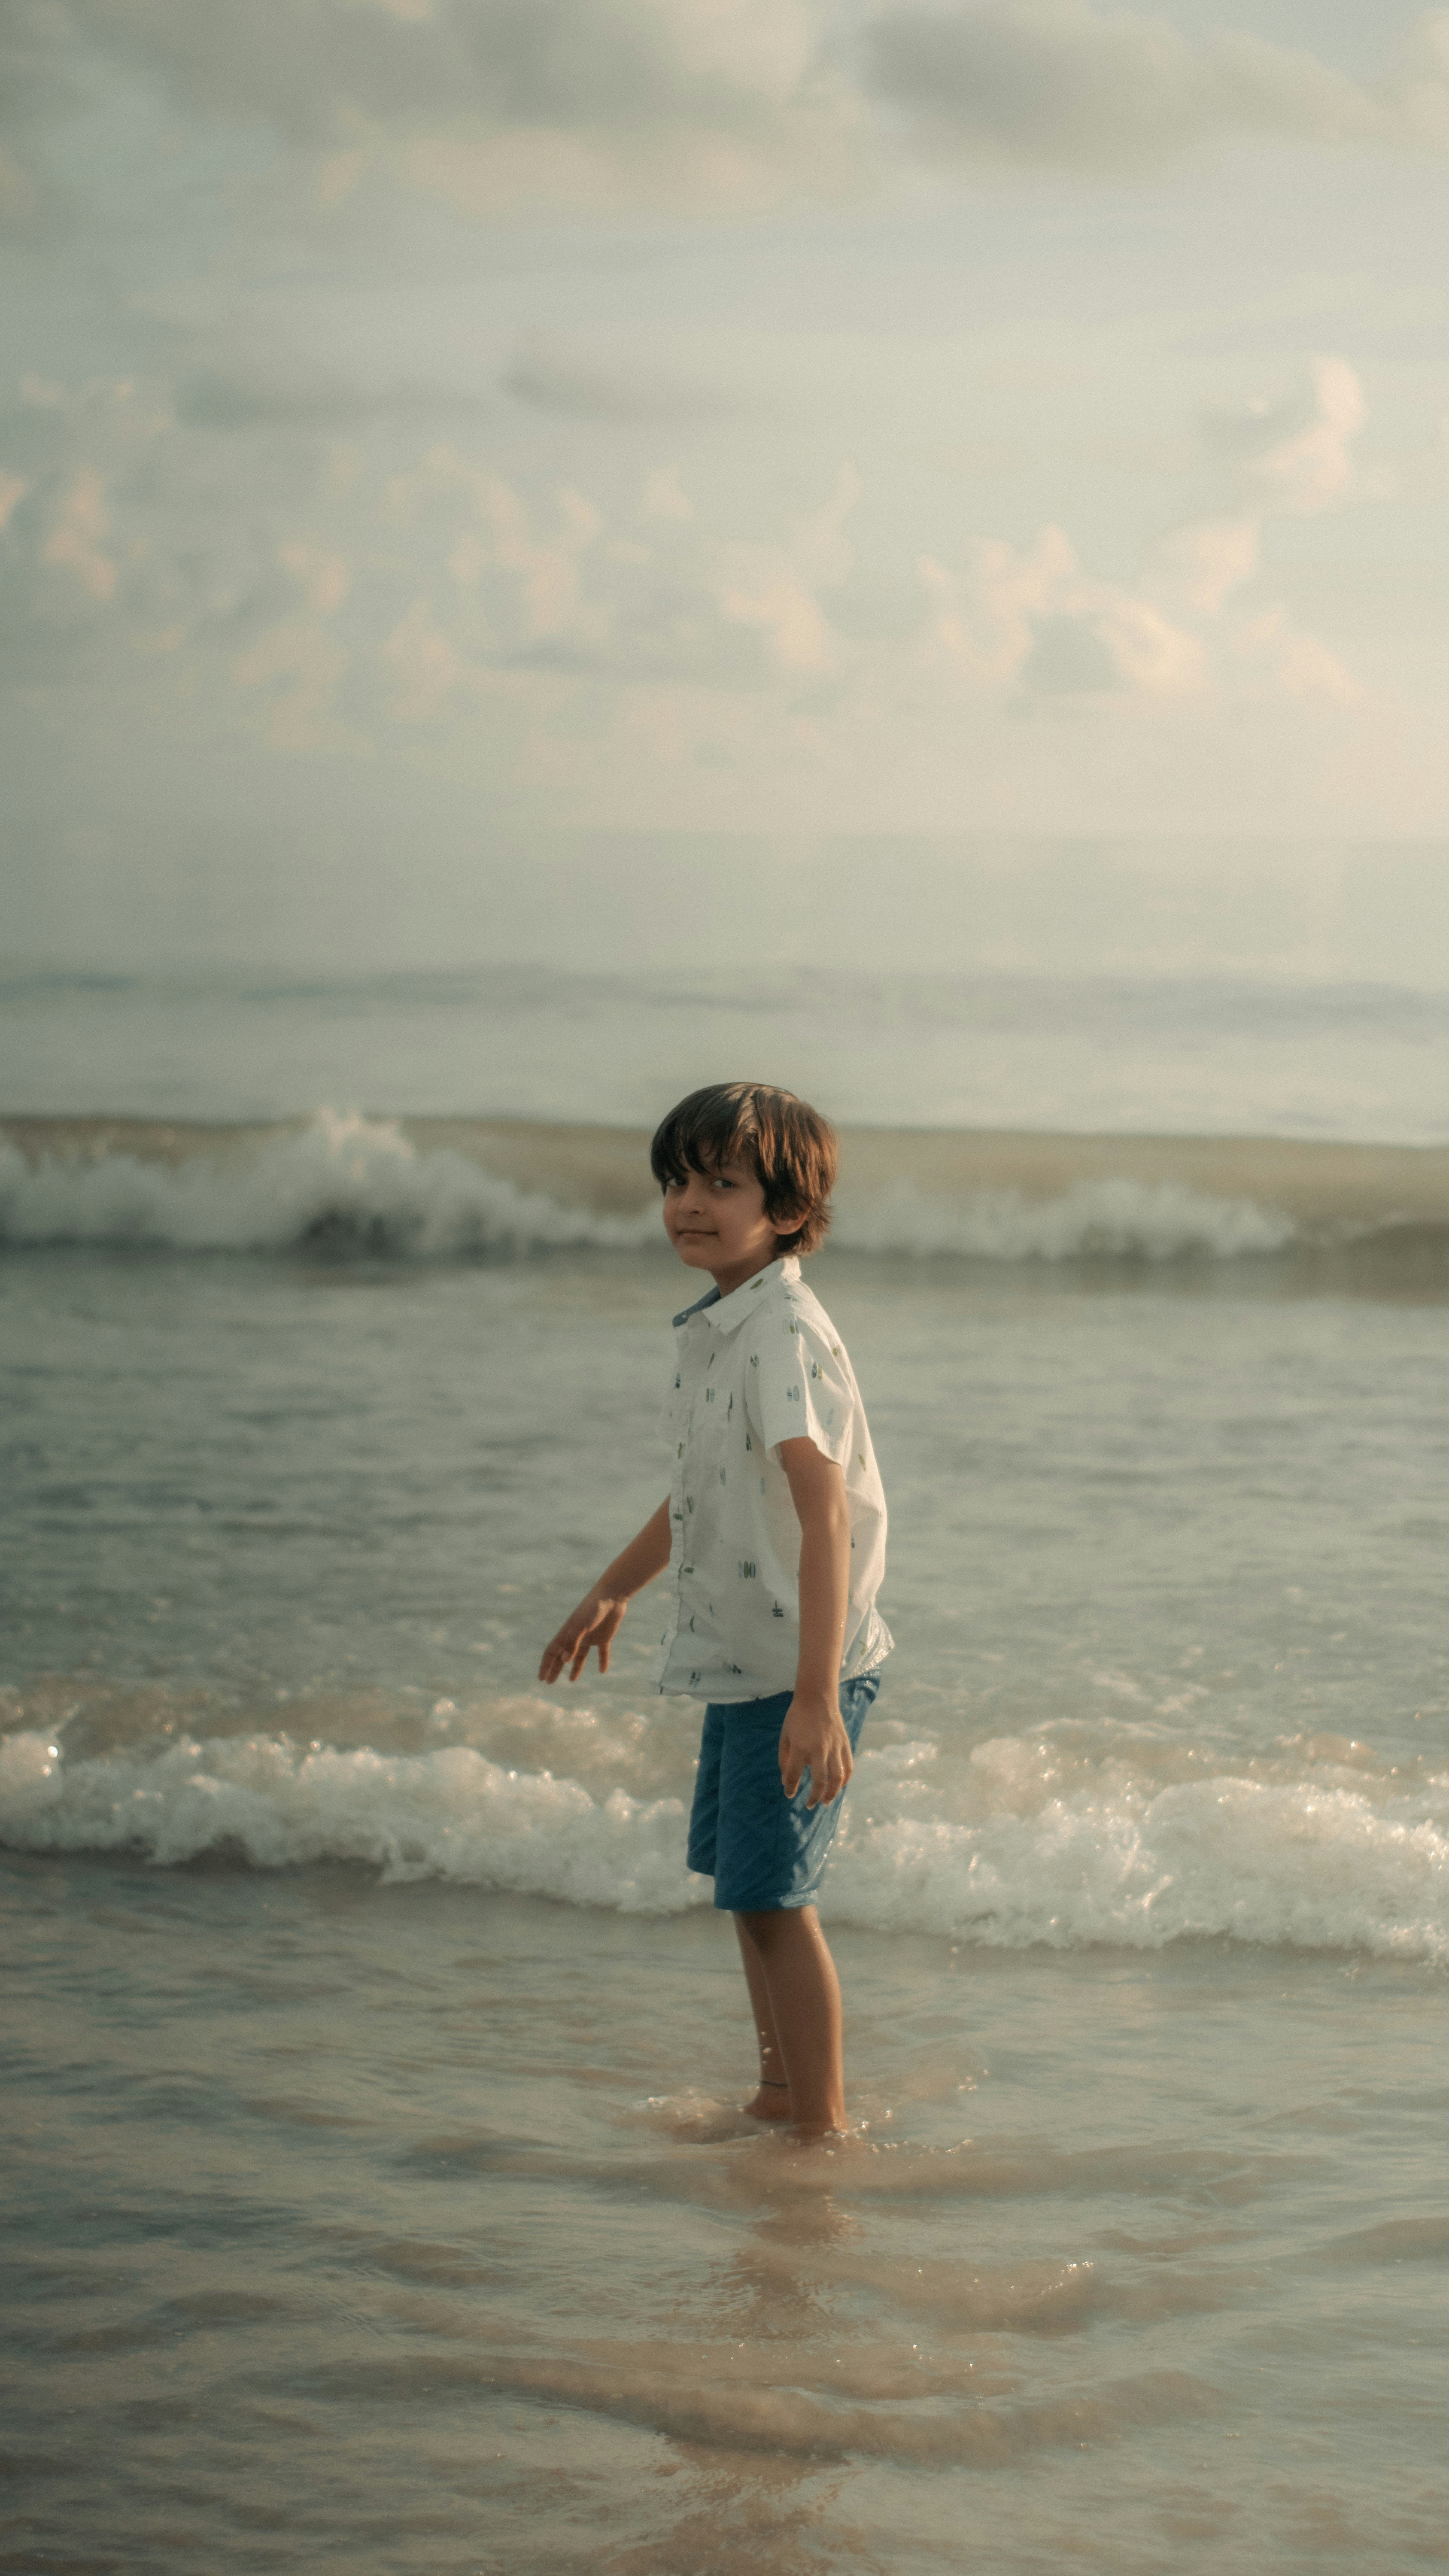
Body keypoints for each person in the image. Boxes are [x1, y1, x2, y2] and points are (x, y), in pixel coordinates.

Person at [538, 1081, 891, 2139]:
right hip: (755, 1660)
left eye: (720, 1184)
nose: (689, 1203)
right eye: (676, 1182)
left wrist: (819, 1698)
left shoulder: (778, 1331)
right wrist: (612, 1588)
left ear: (785, 1211)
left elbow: (821, 1514)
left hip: (799, 1668)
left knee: (777, 1901)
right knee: (748, 1891)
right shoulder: (723, 1324)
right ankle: (779, 2094)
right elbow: (701, 1489)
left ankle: (819, 2132)